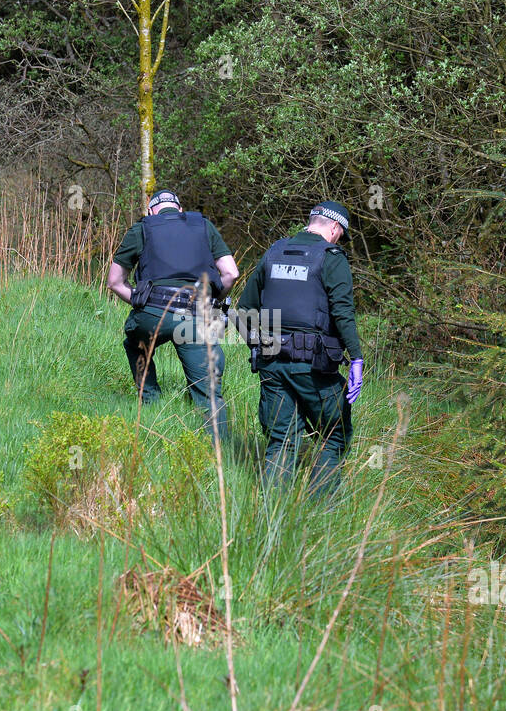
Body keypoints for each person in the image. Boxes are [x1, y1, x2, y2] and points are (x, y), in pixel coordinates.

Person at [236, 201, 364, 497]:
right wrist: (356, 357)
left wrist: (259, 345)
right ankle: (321, 513)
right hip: (314, 368)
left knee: (281, 439)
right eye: (341, 234)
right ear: (334, 228)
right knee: (333, 435)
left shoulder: (275, 251)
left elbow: (243, 310)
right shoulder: (332, 258)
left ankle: (272, 517)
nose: (339, 239)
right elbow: (343, 313)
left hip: (270, 364)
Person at [107, 189, 239, 439]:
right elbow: (231, 273)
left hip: (152, 314)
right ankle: (222, 455)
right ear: (180, 209)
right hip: (195, 316)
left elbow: (114, 282)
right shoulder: (203, 226)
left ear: (150, 211)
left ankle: (150, 402)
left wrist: (139, 301)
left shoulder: (142, 228)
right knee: (209, 393)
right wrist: (214, 302)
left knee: (136, 344)